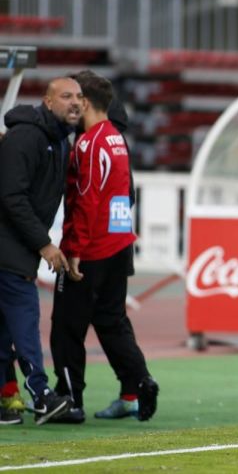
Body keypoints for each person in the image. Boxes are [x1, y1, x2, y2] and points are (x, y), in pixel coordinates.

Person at [49, 71, 158, 424]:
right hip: (119, 242)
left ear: (86, 101)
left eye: (77, 98)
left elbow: (87, 199)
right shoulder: (115, 138)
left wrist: (74, 248)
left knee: (66, 327)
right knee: (112, 320)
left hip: (92, 247)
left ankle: (69, 399)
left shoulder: (89, 143)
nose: (74, 104)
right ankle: (139, 382)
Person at [0, 77, 80, 425]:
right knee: (25, 321)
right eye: (66, 97)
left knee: (6, 329)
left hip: (17, 247)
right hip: (9, 247)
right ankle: (41, 394)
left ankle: (6, 401)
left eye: (78, 97)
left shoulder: (59, 140)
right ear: (48, 102)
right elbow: (12, 197)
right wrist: (44, 244)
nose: (75, 102)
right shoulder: (27, 138)